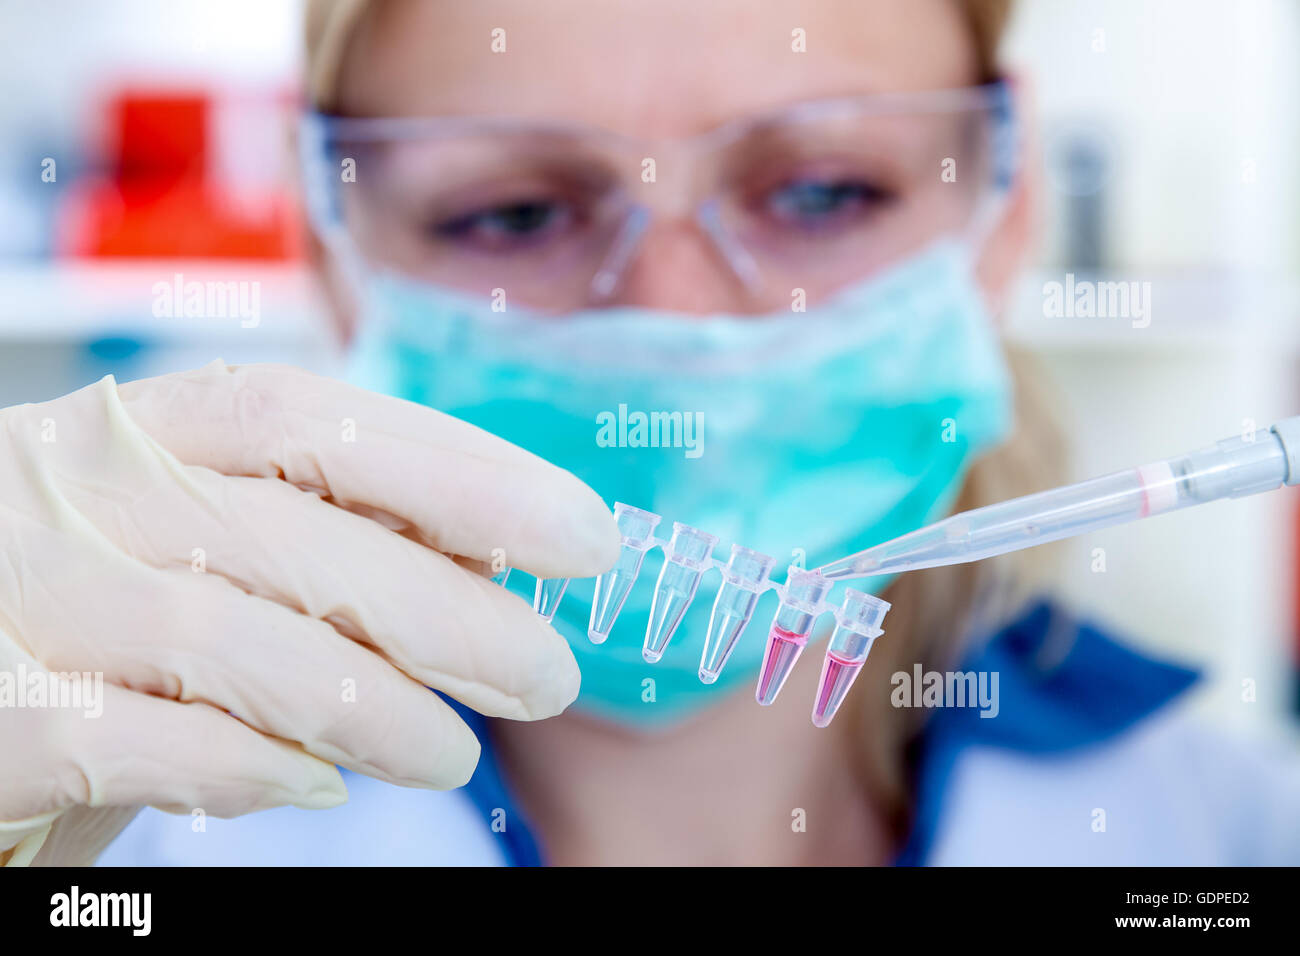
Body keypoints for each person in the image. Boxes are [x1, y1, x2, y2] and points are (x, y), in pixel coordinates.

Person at [4, 0, 1298, 867]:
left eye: (820, 191)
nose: (676, 320)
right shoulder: (132, 830)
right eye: (515, 213)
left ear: (1002, 212)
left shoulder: (1223, 836)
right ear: (331, 247)